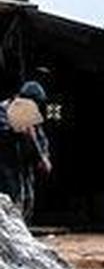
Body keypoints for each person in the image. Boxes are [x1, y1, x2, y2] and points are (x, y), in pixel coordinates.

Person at [0, 81, 53, 222]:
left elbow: (41, 138)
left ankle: (22, 233)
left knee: (27, 200)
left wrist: (44, 156)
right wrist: (19, 131)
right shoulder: (3, 109)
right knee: (11, 201)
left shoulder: (30, 113)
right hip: (6, 165)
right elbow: (12, 133)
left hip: (24, 165)